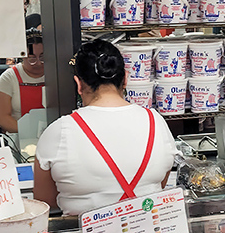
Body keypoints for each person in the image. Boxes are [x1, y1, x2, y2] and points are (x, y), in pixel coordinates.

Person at [34, 39, 177, 214]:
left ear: (78, 85)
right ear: (125, 79)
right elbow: (161, 181)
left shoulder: (58, 131)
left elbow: (44, 203)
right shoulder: (156, 122)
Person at [0, 29, 45, 134]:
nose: (38, 63)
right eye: (32, 58)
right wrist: (29, 133)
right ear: (22, 56)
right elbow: (3, 118)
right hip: (19, 136)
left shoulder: (56, 74)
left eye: (42, 57)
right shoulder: (8, 78)